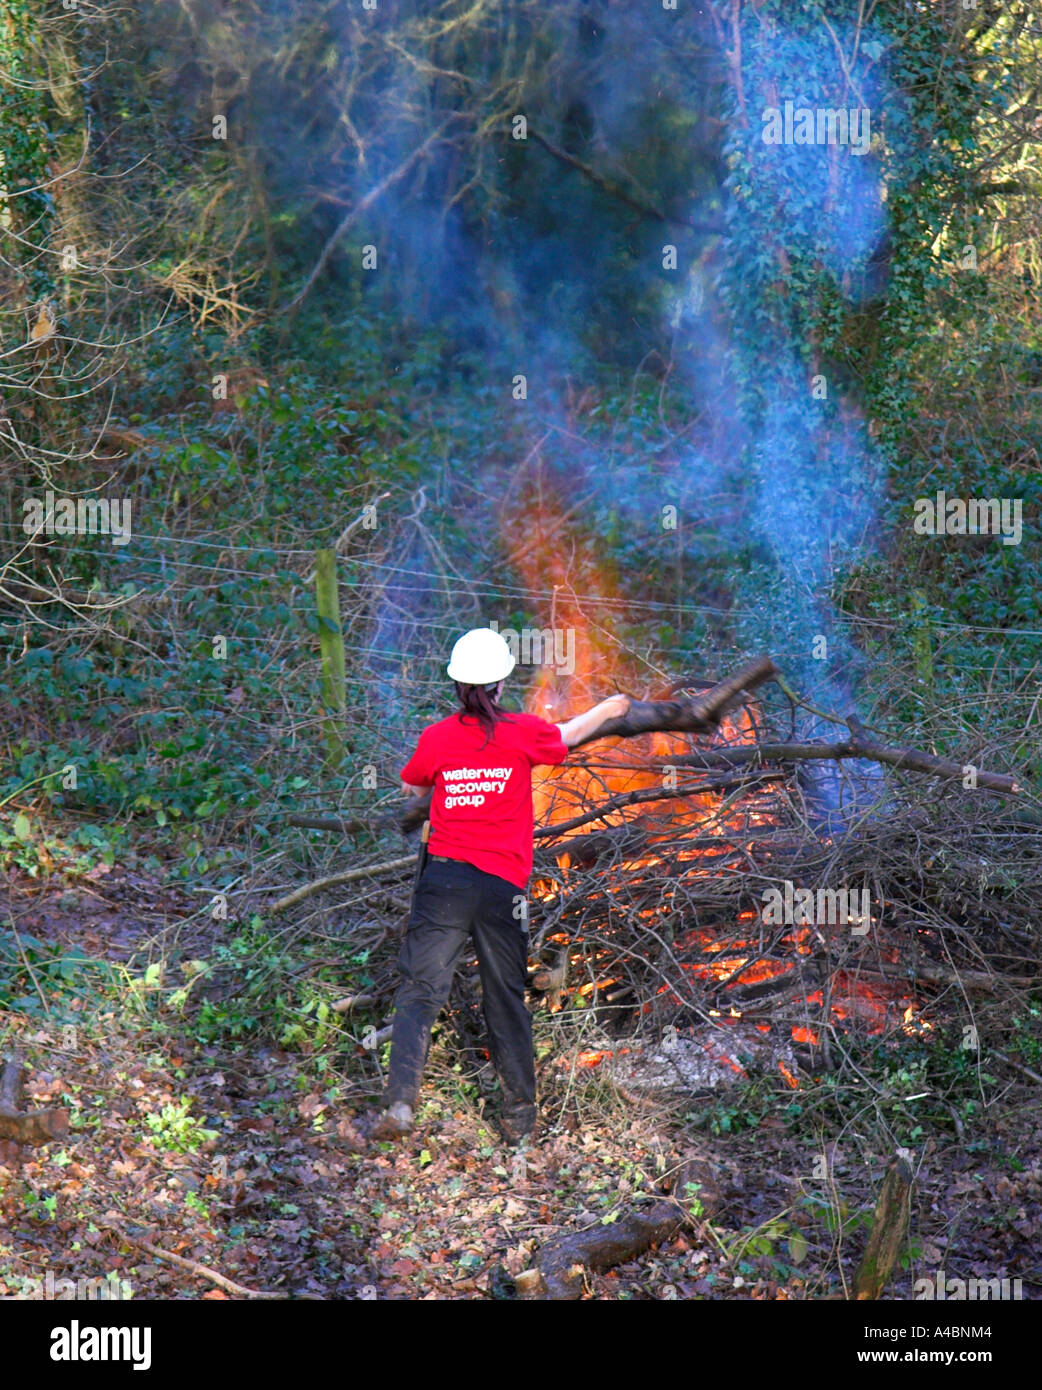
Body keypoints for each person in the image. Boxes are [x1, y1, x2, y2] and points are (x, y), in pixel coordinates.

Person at [371, 628, 629, 1146]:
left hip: (444, 879)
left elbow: (414, 785)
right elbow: (571, 735)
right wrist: (612, 707)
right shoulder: (521, 732)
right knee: (504, 995)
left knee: (420, 990)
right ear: (501, 682)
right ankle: (519, 1118)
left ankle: (401, 1103)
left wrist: (442, 786)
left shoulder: (437, 737)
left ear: (456, 684)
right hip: (502, 887)